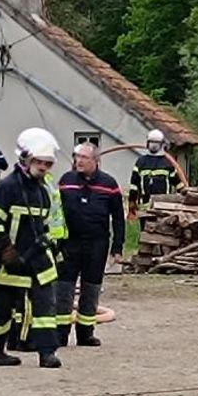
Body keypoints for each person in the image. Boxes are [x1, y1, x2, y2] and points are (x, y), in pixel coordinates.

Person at [0, 128, 64, 369]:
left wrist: (54, 249)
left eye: (48, 163)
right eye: (39, 162)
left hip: (37, 259)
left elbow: (44, 225)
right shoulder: (6, 187)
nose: (43, 167)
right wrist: (6, 249)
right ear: (25, 159)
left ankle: (47, 353)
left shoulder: (42, 191)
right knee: (3, 309)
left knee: (45, 306)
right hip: (10, 261)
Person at [55, 142, 124, 347]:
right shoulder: (66, 181)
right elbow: (55, 212)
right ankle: (60, 333)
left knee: (91, 287)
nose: (79, 161)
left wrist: (117, 247)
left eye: (84, 157)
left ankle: (85, 333)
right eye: (76, 156)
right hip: (69, 243)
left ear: (96, 160)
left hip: (96, 244)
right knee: (64, 288)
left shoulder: (109, 184)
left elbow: (118, 218)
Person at [128, 129, 185, 218]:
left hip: (163, 207)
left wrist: (186, 193)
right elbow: (134, 185)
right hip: (147, 208)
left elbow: (177, 183)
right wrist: (132, 200)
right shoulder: (142, 162)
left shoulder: (167, 163)